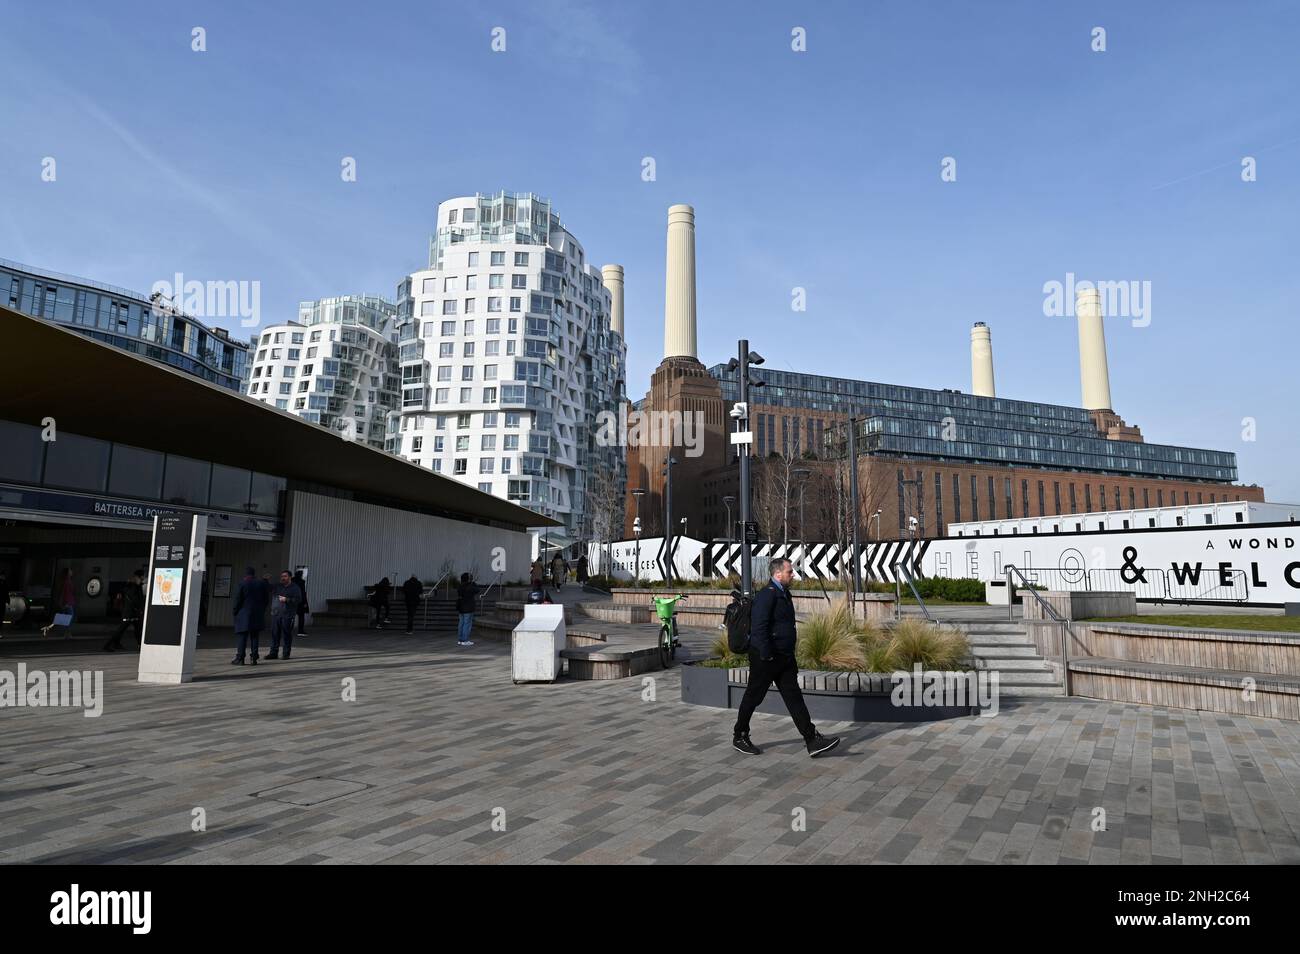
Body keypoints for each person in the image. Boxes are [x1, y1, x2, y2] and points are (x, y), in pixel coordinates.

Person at [732, 558, 840, 758]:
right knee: (753, 697)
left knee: (794, 699)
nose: (793, 574)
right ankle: (740, 735)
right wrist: (766, 655)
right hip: (766, 658)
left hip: (784, 657)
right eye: (790, 571)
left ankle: (811, 740)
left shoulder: (784, 594)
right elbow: (759, 628)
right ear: (777, 574)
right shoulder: (767, 596)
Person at [231, 566, 270, 665]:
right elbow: (266, 599)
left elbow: (238, 600)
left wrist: (235, 611)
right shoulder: (261, 584)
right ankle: (254, 658)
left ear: (246, 574)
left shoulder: (243, 584)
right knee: (255, 636)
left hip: (244, 614)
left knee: (242, 636)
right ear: (254, 574)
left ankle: (240, 658)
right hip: (257, 614)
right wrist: (261, 610)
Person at [103, 571, 145, 652]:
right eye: (142, 576)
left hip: (134, 613)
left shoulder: (135, 586)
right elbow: (135, 600)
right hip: (129, 613)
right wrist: (140, 608)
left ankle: (139, 645)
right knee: (121, 630)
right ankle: (107, 645)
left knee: (138, 630)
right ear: (138, 577)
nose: (143, 578)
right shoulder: (132, 586)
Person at [266, 569, 302, 660]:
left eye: (285, 576)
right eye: (282, 576)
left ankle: (286, 653)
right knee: (275, 634)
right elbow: (267, 588)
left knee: (286, 634)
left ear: (290, 577)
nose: (283, 578)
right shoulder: (277, 586)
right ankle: (273, 653)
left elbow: (298, 600)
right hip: (276, 614)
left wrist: (287, 600)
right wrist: (265, 580)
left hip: (288, 615)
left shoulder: (295, 588)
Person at [42, 568, 76, 638]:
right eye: (70, 571)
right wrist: (62, 602)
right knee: (69, 617)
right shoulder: (66, 582)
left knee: (65, 618)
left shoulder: (66, 581)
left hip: (67, 602)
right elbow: (63, 593)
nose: (71, 572)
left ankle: (62, 632)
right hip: (67, 602)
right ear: (68, 573)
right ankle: (65, 632)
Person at [455, 572, 479, 646]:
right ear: (468, 579)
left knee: (461, 623)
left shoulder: (460, 586)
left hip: (461, 607)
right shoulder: (470, 586)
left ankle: (460, 639)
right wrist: (473, 583)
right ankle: (465, 640)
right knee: (467, 624)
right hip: (468, 608)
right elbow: (477, 590)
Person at [293, 570, 309, 639]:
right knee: (301, 616)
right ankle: (300, 630)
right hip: (300, 601)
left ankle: (288, 629)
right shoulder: (302, 582)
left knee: (291, 616)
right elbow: (303, 592)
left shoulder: (292, 580)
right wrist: (305, 602)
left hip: (292, 600)